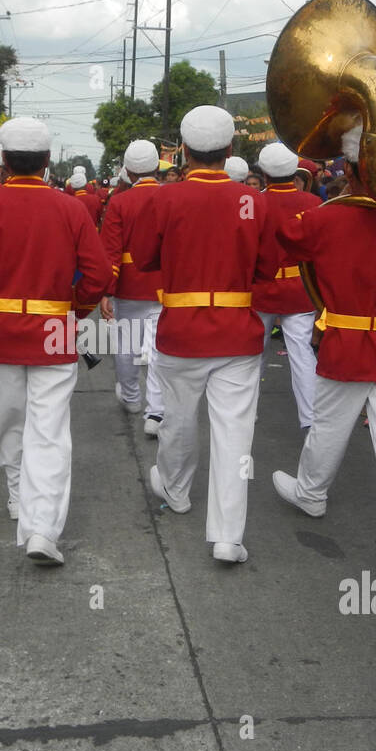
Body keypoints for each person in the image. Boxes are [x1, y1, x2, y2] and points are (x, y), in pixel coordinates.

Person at [270, 123, 376, 572]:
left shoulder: (325, 217)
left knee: (328, 429)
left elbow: (286, 240)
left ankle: (311, 494)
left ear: (348, 168)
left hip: (345, 343)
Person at [0, 116, 108, 565]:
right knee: (50, 429)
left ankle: (18, 495)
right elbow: (98, 275)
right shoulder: (72, 209)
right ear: (47, 162)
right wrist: (74, 309)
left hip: (1, 332)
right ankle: (42, 529)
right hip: (55, 331)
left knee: (10, 416)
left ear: (2, 161)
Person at [132, 105, 280, 564]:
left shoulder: (163, 197)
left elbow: (143, 258)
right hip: (238, 335)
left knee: (177, 421)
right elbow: (269, 267)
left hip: (180, 332)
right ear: (231, 150)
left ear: (182, 151)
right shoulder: (255, 200)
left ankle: (176, 491)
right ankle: (227, 537)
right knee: (235, 436)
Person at [251, 141, 322, 430]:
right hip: (300, 289)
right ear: (295, 171)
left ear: (264, 173)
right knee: (303, 355)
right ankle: (311, 418)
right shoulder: (314, 203)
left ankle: (245, 413)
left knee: (254, 355)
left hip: (262, 288)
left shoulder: (254, 201)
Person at [99, 139, 165, 436]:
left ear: (127, 170)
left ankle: (132, 398)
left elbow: (110, 251)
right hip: (165, 284)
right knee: (158, 350)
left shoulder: (119, 202)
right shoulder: (171, 196)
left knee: (126, 347)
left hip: (129, 284)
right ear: (157, 167)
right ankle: (157, 412)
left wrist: (105, 290)